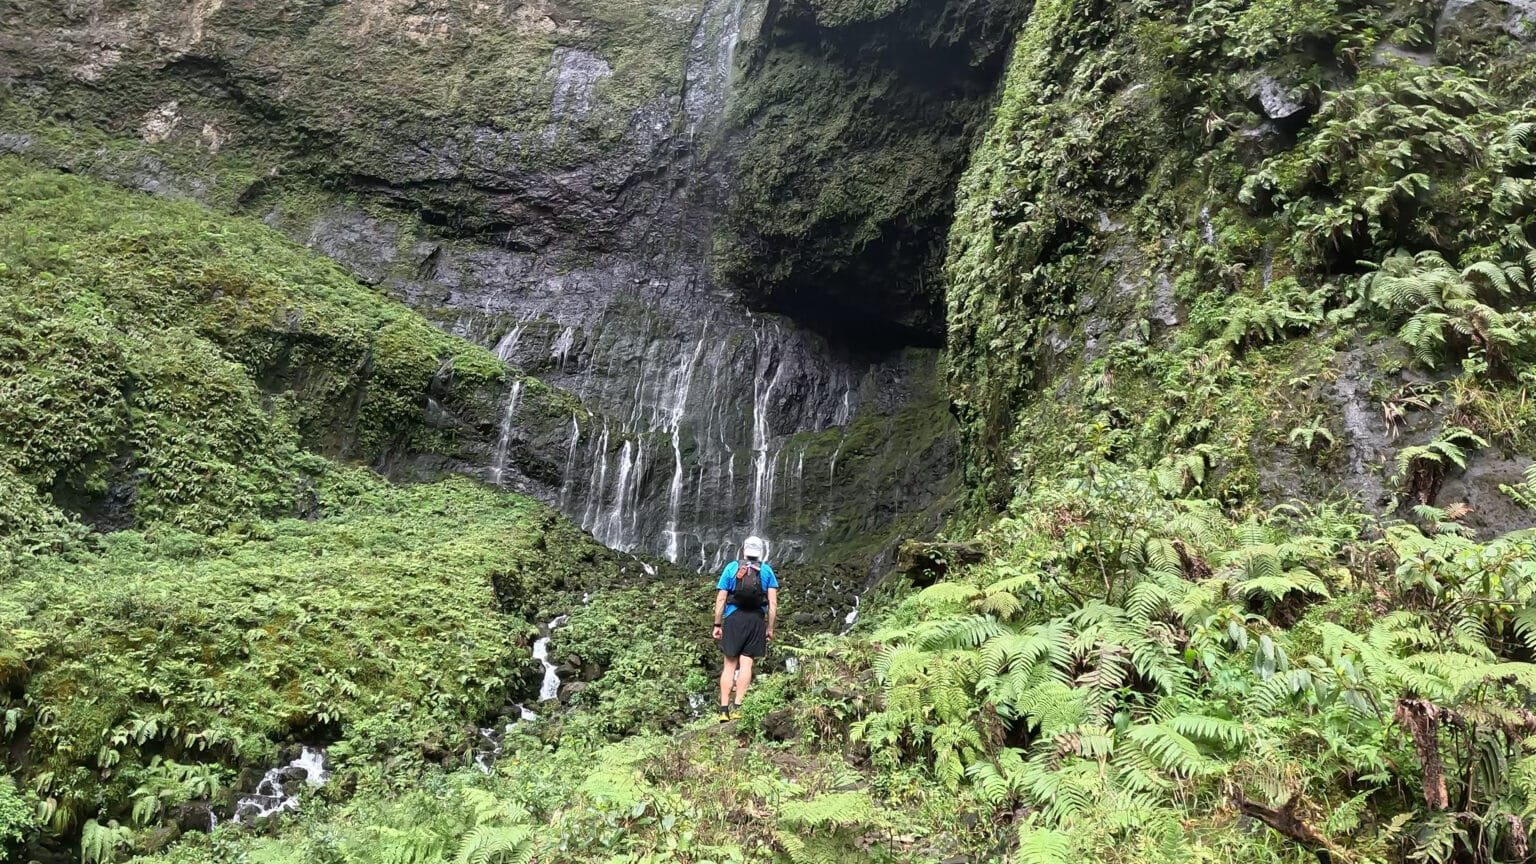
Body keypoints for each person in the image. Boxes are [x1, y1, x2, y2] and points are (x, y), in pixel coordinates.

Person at [712, 535, 778, 722]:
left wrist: (717, 624)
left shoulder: (731, 568)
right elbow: (773, 604)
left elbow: (721, 599)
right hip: (756, 620)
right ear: (760, 552)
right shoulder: (766, 571)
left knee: (729, 666)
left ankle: (723, 710)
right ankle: (738, 707)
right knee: (746, 663)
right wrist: (770, 627)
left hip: (733, 619)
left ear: (744, 550)